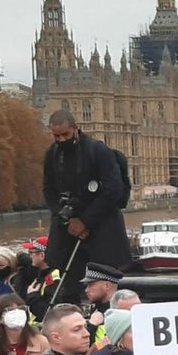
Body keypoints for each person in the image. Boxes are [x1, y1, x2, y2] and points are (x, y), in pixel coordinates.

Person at [41, 110, 130, 305]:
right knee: (68, 290)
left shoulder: (98, 151)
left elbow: (114, 190)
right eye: (56, 136)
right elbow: (49, 191)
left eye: (65, 134)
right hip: (68, 234)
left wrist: (85, 221)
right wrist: (67, 219)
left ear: (76, 128)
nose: (61, 140)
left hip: (101, 232)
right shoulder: (52, 154)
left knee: (105, 290)